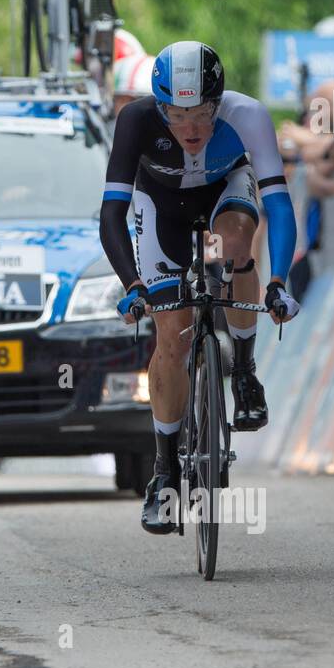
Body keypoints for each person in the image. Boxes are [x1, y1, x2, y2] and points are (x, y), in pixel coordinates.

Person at [99, 41, 299, 535]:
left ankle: (246, 371)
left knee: (234, 246)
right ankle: (164, 472)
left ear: (220, 99)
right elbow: (111, 214)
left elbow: (278, 203)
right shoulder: (136, 121)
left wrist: (277, 283)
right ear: (159, 105)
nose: (189, 127)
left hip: (223, 193)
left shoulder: (248, 115)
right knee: (174, 334)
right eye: (176, 114)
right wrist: (133, 284)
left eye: (202, 113)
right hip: (159, 207)